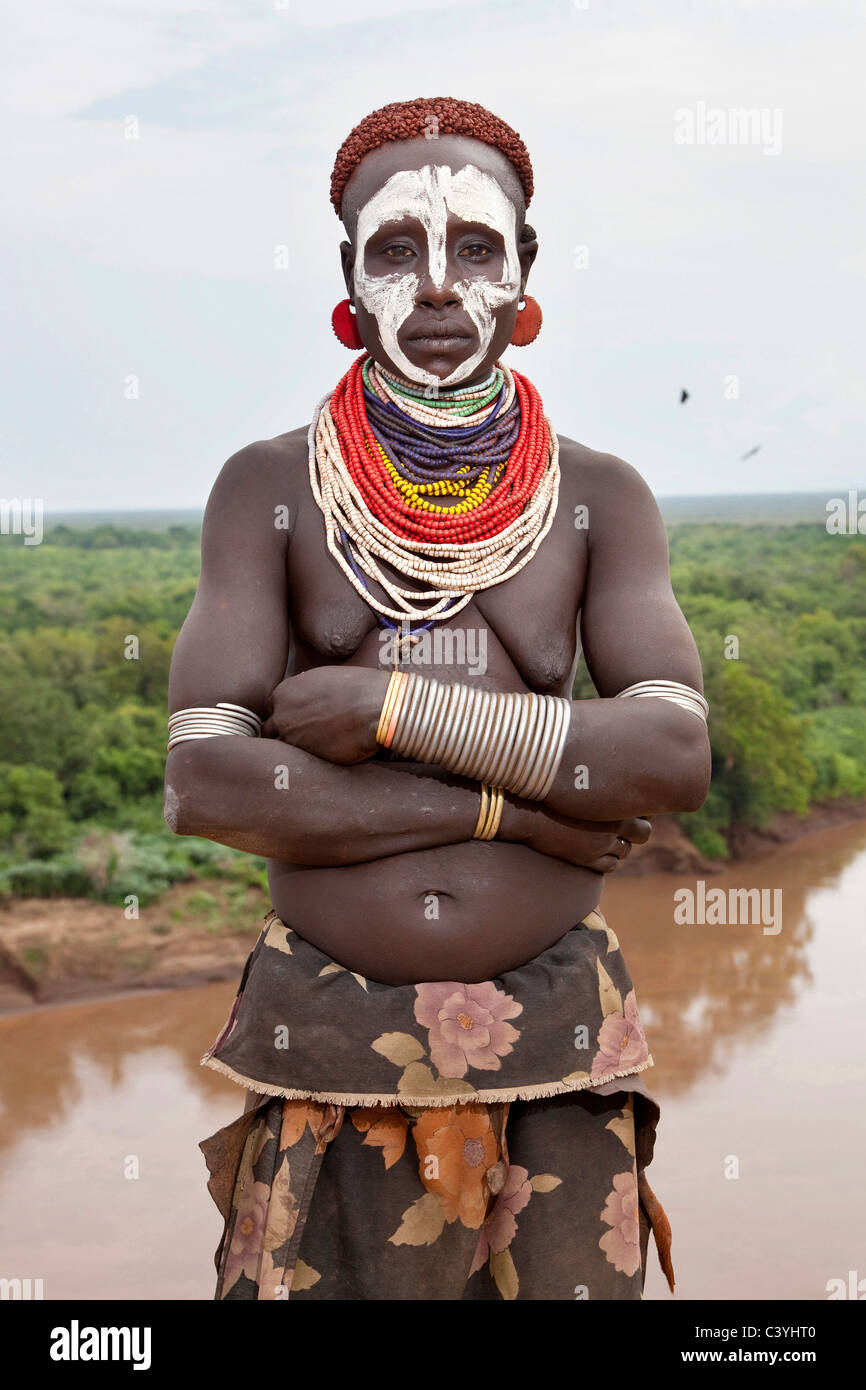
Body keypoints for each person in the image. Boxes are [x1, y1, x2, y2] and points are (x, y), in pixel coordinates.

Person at [164, 97, 711, 1301]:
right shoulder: (266, 489)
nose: (436, 286)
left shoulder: (599, 498)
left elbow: (670, 753)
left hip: (557, 1043)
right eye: (395, 249)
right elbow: (204, 779)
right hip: (334, 1046)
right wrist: (514, 816)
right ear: (348, 287)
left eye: (473, 246)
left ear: (523, 276)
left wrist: (390, 714)